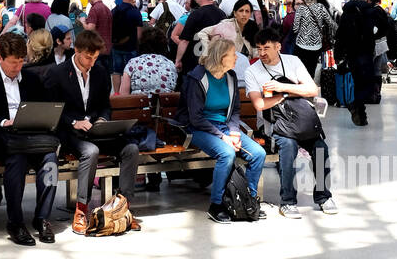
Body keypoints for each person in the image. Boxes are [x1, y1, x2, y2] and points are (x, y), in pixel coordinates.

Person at [0, 32, 59, 245]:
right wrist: (2, 121)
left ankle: (42, 218)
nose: (17, 67)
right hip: (0, 137)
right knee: (17, 160)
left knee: (50, 160)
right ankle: (15, 222)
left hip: (30, 135)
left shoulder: (32, 79)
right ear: (0, 58)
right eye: (13, 63)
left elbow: (44, 107)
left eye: (21, 62)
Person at [44, 28, 140, 236]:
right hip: (69, 133)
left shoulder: (100, 72)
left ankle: (122, 209)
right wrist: (73, 122)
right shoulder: (57, 73)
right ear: (76, 50)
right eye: (88, 57)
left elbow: (104, 105)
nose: (92, 62)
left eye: (95, 58)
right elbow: (52, 108)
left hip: (96, 129)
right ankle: (81, 209)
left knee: (131, 149)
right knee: (91, 152)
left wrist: (103, 119)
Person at [245, 28, 336, 217]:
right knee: (288, 147)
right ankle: (287, 200)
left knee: (321, 149)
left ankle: (324, 196)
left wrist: (281, 88)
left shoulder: (292, 61)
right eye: (259, 48)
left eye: (267, 48)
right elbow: (260, 104)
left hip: (301, 121)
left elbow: (311, 90)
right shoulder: (252, 71)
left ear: (278, 47)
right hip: (274, 124)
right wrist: (289, 94)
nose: (262, 53)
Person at [178, 33, 266, 222]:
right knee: (227, 154)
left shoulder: (230, 76)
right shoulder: (198, 77)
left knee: (258, 153)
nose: (237, 58)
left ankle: (247, 199)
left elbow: (234, 109)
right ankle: (216, 204)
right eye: (233, 54)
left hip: (225, 127)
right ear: (221, 57)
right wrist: (223, 137)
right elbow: (195, 117)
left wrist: (234, 131)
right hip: (199, 129)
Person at [334, 0, 376, 125]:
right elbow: (382, 28)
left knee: (357, 82)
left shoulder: (347, 12)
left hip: (351, 52)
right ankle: (357, 106)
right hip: (366, 51)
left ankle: (360, 113)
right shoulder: (371, 10)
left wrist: (338, 54)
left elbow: (340, 34)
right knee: (369, 84)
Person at [172, 0, 225, 76]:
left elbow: (184, 41)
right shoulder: (222, 14)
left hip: (196, 62)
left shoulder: (195, 15)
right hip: (217, 61)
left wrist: (178, 60)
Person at [119, 26, 178, 97]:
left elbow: (123, 95)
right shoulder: (170, 64)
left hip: (138, 106)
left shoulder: (133, 63)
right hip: (164, 105)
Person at [292, 0, 335, 76]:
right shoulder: (320, 7)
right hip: (316, 46)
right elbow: (331, 23)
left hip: (301, 45)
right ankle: (309, 86)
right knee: (311, 70)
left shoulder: (301, 9)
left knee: (301, 70)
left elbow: (295, 29)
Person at [110, 0, 143, 93]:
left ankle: (116, 93)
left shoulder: (114, 10)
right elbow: (139, 34)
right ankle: (127, 95)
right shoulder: (135, 12)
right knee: (129, 72)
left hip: (116, 45)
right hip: (130, 47)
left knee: (116, 71)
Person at [80, 0, 113, 65]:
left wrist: (83, 22)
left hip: (97, 48)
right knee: (106, 74)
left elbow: (90, 29)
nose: (88, 1)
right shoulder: (106, 9)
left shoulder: (94, 9)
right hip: (108, 47)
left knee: (97, 74)